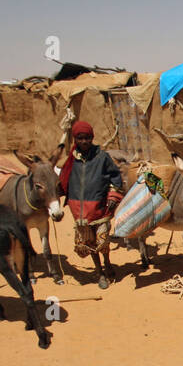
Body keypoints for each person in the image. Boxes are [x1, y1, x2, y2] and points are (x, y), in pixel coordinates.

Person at [59, 120, 124, 288]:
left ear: (92, 138)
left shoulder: (102, 157)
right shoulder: (72, 160)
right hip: (80, 212)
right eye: (80, 138)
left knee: (103, 240)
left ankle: (107, 262)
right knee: (89, 243)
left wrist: (112, 196)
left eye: (87, 138)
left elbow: (115, 177)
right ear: (75, 139)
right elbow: (64, 180)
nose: (84, 142)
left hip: (100, 208)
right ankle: (100, 272)